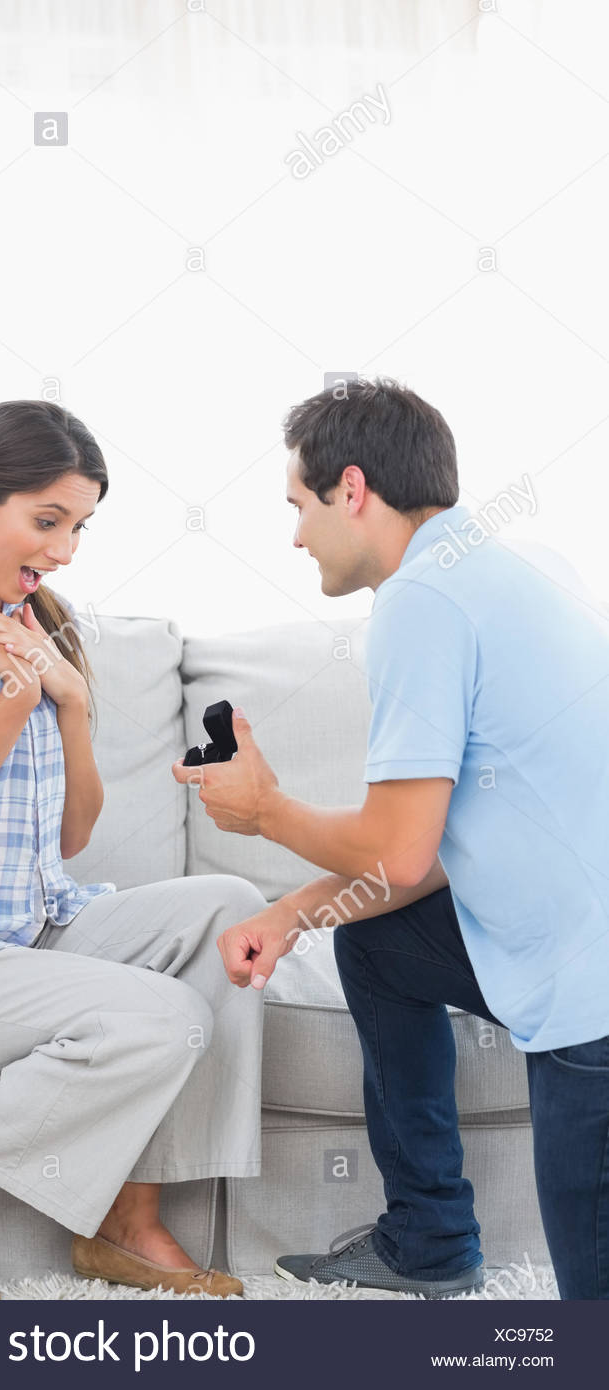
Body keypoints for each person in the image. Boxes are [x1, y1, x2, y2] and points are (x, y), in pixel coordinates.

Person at [173, 376, 609, 1301]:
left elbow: (399, 854)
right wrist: (294, 912)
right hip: (572, 945)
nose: (295, 534)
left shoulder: (421, 604)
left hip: (593, 1005)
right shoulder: (518, 563)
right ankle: (431, 1242)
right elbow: (430, 845)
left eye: (298, 504)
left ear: (354, 489)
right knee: (377, 948)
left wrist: (265, 812)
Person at [0, 400, 265, 1300]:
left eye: (80, 528)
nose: (63, 551)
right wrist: (12, 704)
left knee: (232, 908)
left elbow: (71, 836)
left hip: (31, 926)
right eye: (47, 521)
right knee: (161, 1016)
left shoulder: (24, 610)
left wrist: (67, 703)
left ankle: (125, 1221)